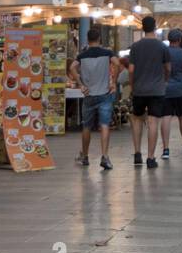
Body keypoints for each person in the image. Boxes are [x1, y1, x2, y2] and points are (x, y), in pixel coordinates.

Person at [70, 25, 119, 169]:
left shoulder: (82, 55)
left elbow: (72, 67)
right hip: (104, 94)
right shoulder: (107, 53)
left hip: (89, 95)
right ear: (99, 39)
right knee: (104, 125)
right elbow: (117, 63)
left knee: (86, 126)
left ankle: (85, 156)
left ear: (88, 39)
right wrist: (113, 82)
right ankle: (105, 156)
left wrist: (81, 84)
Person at [127, 15, 169, 169]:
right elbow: (168, 67)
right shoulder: (162, 47)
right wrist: (165, 80)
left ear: (142, 28)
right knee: (153, 122)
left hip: (139, 89)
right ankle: (151, 158)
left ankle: (137, 154)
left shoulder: (135, 47)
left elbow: (131, 70)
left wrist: (132, 85)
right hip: (157, 90)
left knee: (137, 119)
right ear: (155, 27)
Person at [162, 28, 182, 157]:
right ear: (180, 40)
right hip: (181, 89)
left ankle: (165, 149)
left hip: (165, 90)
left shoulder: (163, 52)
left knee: (166, 117)